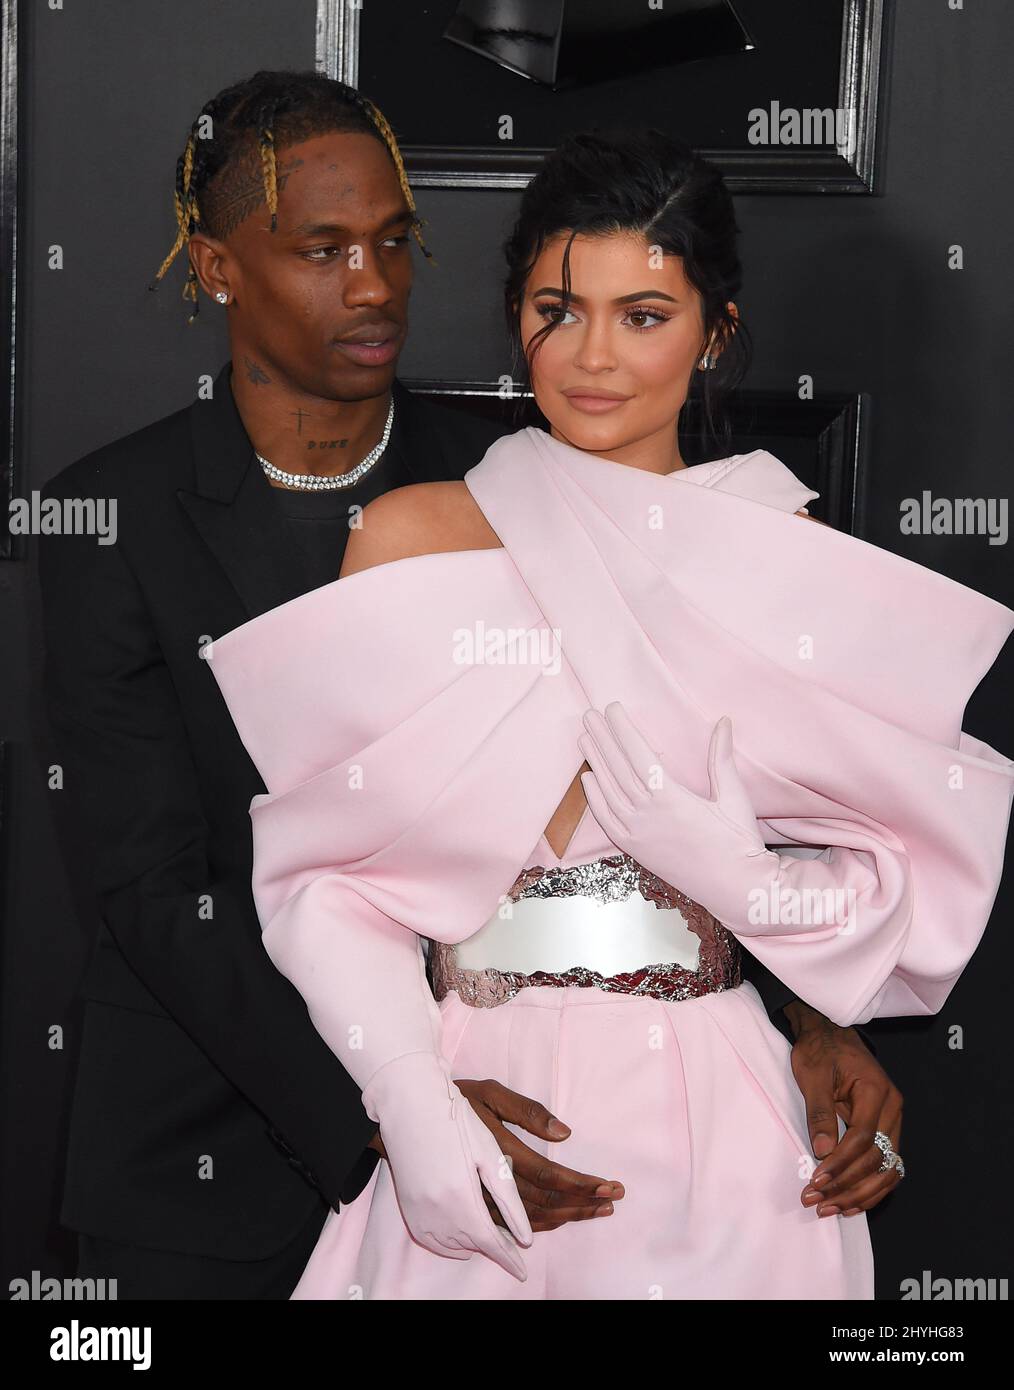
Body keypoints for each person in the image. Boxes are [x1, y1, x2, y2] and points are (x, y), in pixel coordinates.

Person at [37, 70, 896, 1300]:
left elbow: (754, 823)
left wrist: (818, 1017)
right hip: (208, 1140)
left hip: (618, 1130)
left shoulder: (515, 466)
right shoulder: (114, 516)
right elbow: (156, 888)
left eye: (395, 242)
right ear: (218, 268)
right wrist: (405, 1109)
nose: (375, 282)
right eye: (323, 248)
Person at [207, 125, 1014, 1300]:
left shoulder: (783, 556)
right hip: (472, 1091)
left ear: (715, 332)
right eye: (557, 307)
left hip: (721, 1119)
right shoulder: (404, 536)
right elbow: (325, 883)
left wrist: (739, 877)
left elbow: (903, 895)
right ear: (515, 316)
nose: (593, 356)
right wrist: (408, 1101)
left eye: (644, 314)